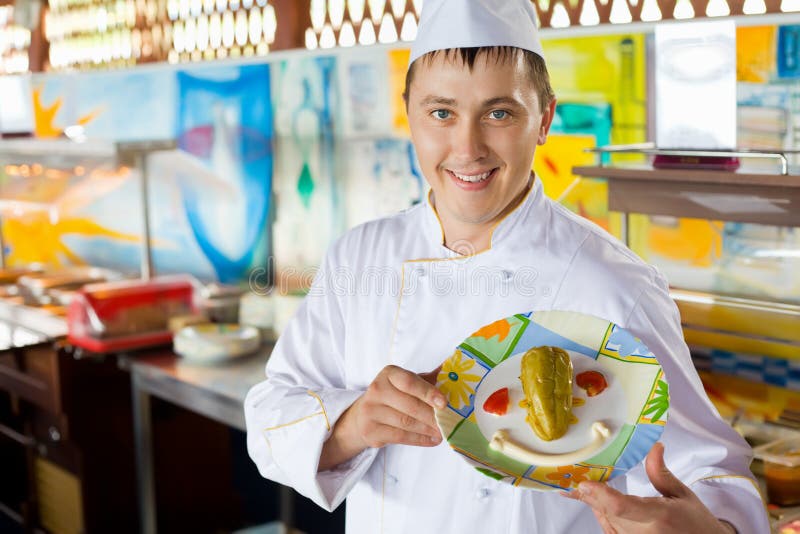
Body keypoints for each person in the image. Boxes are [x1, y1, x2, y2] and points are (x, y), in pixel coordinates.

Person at [244, 1, 770, 532]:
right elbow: (271, 415)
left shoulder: (612, 283)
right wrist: (352, 426)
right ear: (410, 117)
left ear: (543, 120)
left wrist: (710, 528)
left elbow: (712, 473)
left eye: (499, 113)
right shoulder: (359, 258)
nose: (467, 148)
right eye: (441, 113)